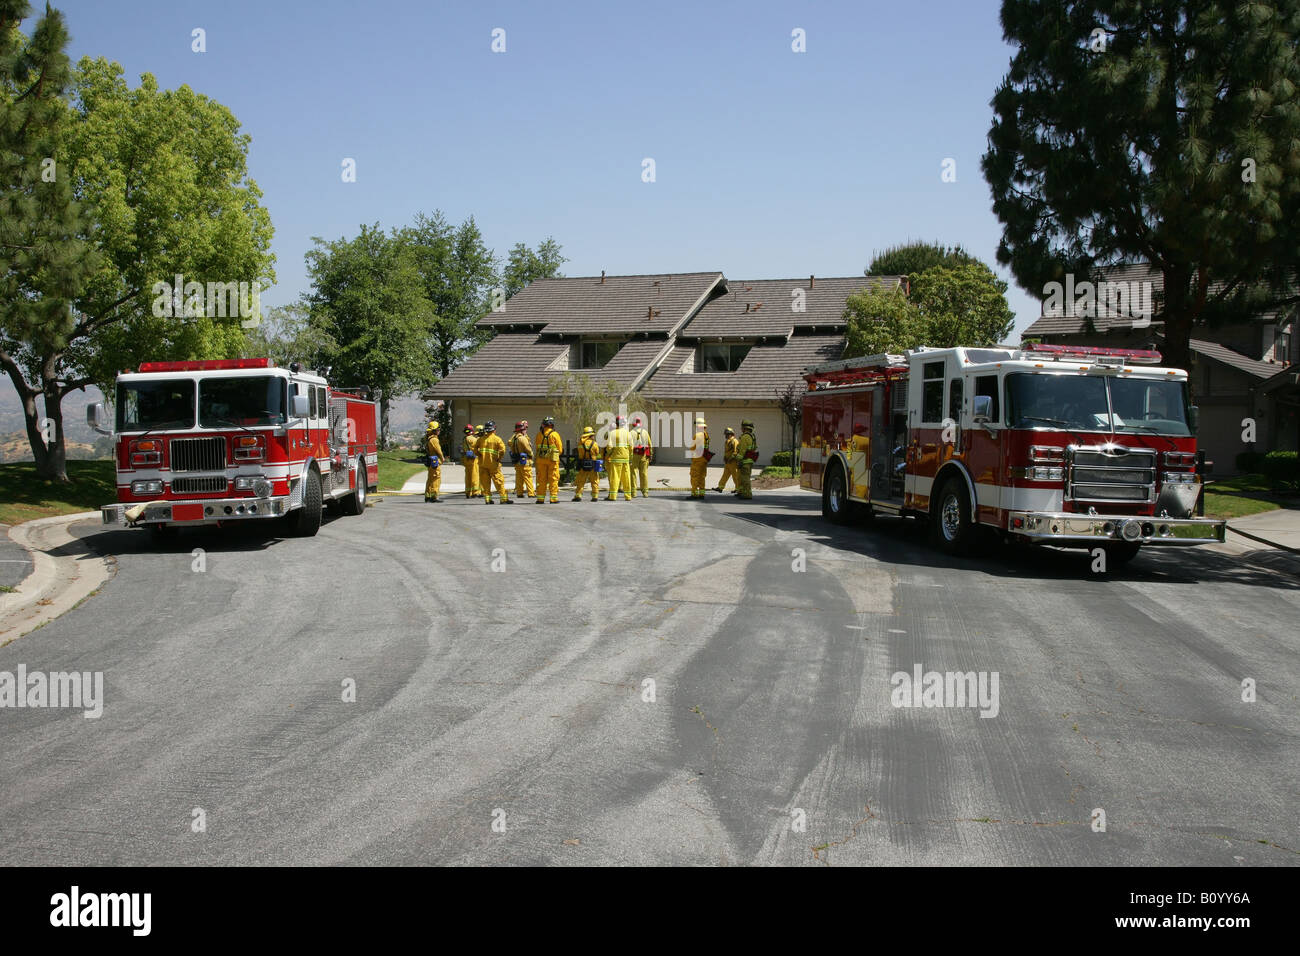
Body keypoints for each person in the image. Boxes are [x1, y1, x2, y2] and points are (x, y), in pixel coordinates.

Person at [476, 421, 510, 504]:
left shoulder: (481, 439)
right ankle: (503, 499)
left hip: (483, 464)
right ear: (494, 429)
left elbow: (475, 449)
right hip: (493, 465)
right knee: (499, 482)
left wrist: (480, 456)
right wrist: (499, 458)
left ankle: (488, 499)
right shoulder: (497, 439)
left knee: (485, 483)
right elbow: (502, 450)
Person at [533, 417, 563, 503]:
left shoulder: (539, 434)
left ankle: (540, 498)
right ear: (552, 425)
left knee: (541, 479)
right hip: (552, 461)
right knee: (553, 479)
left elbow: (537, 446)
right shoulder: (555, 434)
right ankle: (553, 498)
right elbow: (560, 449)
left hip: (541, 460)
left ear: (543, 425)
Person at [604, 415, 633, 501]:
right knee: (626, 478)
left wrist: (609, 453)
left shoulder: (612, 433)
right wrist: (630, 458)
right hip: (626, 458)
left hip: (616, 458)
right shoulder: (628, 433)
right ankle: (628, 496)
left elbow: (609, 447)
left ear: (616, 424)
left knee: (615, 478)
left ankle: (613, 496)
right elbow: (631, 447)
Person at [573, 426, 602, 501]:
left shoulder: (580, 443)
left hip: (583, 464)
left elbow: (580, 454)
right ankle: (595, 496)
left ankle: (578, 495)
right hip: (593, 464)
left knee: (581, 480)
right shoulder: (594, 444)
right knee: (594, 480)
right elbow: (597, 452)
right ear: (590, 435)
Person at [510, 420, 535, 500]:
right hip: (524, 461)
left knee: (519, 478)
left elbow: (510, 446)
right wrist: (531, 455)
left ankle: (519, 493)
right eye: (525, 429)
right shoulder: (522, 438)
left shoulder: (514, 438)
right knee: (528, 477)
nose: (526, 430)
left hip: (517, 461)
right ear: (522, 430)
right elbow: (528, 449)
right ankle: (531, 493)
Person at [629, 416, 653, 497]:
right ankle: (645, 492)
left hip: (634, 455)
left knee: (633, 474)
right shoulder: (645, 432)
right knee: (644, 474)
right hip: (644, 455)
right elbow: (650, 444)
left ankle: (633, 492)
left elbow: (629, 446)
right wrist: (651, 455)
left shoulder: (631, 433)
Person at [688, 416, 710, 498]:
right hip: (704, 459)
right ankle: (701, 493)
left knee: (694, 476)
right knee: (702, 477)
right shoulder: (706, 435)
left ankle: (694, 494)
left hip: (698, 459)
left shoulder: (698, 435)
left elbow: (693, 447)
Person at [736, 419, 758, 500]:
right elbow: (754, 448)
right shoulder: (752, 436)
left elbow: (742, 450)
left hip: (744, 461)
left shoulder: (745, 437)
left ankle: (747, 494)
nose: (740, 428)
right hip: (749, 460)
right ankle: (742, 492)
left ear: (744, 428)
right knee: (743, 478)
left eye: (741, 427)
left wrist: (738, 459)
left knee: (745, 478)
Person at [423, 421, 444, 502]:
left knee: (430, 479)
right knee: (436, 478)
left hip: (431, 461)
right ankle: (434, 496)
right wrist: (442, 458)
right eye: (438, 429)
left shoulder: (429, 438)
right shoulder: (434, 440)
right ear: (434, 430)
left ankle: (428, 496)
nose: (439, 430)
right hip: (435, 461)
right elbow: (438, 451)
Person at [715, 426, 739, 493]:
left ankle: (738, 488)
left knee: (735, 476)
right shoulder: (727, 441)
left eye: (727, 434)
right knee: (725, 475)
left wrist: (730, 458)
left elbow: (735, 452)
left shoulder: (734, 441)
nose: (726, 435)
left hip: (733, 462)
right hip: (728, 462)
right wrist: (725, 458)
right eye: (725, 434)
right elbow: (727, 451)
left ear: (731, 434)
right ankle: (720, 487)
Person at [461, 424, 479, 499]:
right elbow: (478, 446)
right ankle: (475, 492)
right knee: (474, 475)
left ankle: (468, 492)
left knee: (468, 476)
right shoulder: (473, 439)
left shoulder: (464, 439)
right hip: (473, 459)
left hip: (466, 459)